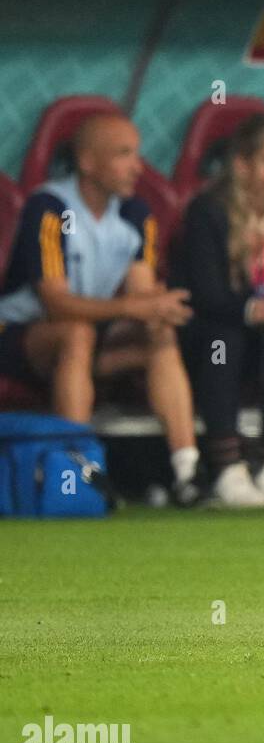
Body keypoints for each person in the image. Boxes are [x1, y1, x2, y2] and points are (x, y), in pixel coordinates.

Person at [0, 112, 202, 504]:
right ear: (88, 162)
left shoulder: (135, 214)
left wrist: (158, 308)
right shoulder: (50, 207)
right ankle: (77, 472)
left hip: (90, 346)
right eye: (124, 155)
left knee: (158, 330)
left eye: (136, 154)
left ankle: (187, 471)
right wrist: (133, 306)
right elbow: (55, 304)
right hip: (21, 339)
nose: (137, 167)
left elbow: (142, 296)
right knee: (76, 332)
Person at [174, 113, 264, 508]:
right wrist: (258, 310)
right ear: (242, 165)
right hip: (211, 330)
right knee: (226, 339)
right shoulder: (208, 212)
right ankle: (227, 468)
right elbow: (204, 295)